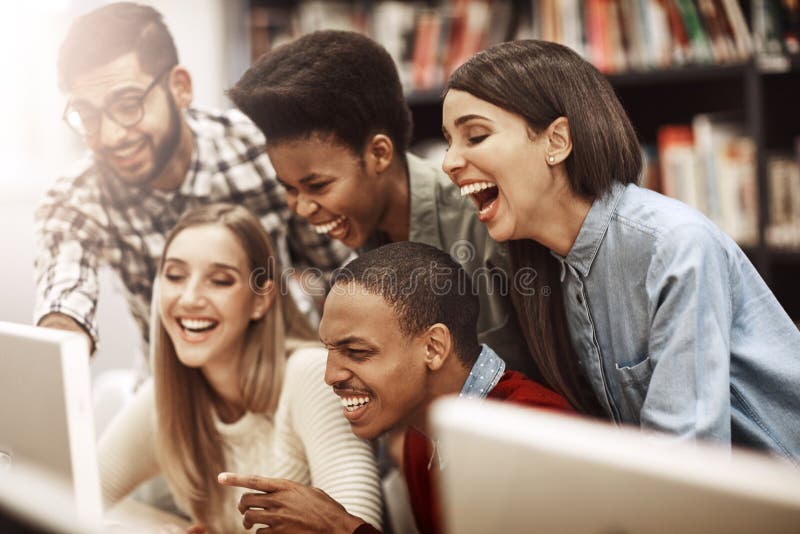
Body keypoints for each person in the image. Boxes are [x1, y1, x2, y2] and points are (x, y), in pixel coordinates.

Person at [440, 39, 800, 462]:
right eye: (448, 142)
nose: (448, 162)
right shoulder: (544, 266)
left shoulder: (674, 246)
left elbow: (687, 464)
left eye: (475, 136)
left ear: (557, 141)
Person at [34, 3, 348, 356]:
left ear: (180, 87)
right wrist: (60, 344)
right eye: (87, 115)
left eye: (128, 105)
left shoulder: (262, 150)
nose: (110, 136)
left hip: (285, 361)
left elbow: (338, 272)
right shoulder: (77, 197)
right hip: (173, 380)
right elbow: (64, 298)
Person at [227, 30, 537, 378]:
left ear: (379, 153)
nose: (301, 208)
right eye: (289, 188)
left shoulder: (487, 222)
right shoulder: (360, 242)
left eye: (318, 186)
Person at [219, 241, 571, 534]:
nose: (330, 375)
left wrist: (340, 527)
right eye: (329, 350)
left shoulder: (536, 434)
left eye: (357, 352)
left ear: (433, 347)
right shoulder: (420, 436)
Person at [97, 203, 382, 533]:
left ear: (261, 299)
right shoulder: (166, 396)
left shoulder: (312, 376)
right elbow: (68, 495)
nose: (189, 298)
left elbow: (356, 526)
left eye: (219, 281)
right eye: (174, 276)